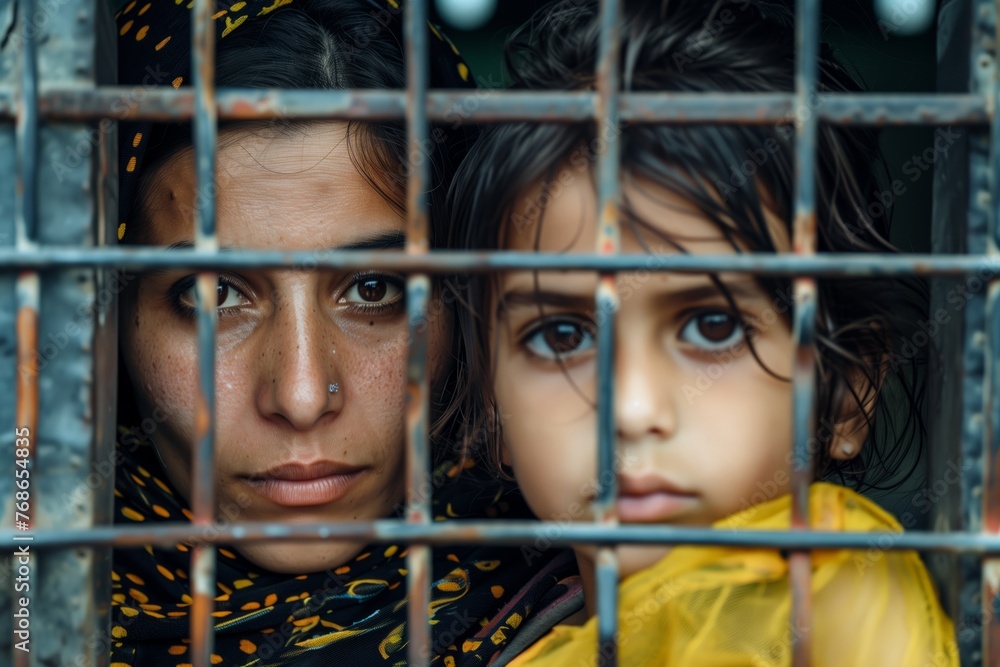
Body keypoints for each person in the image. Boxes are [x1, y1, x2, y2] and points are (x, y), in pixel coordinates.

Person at [446, 0, 958, 664]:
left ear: (845, 393)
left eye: (711, 326)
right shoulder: (487, 641)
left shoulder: (855, 611)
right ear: (493, 407)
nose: (631, 410)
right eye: (562, 337)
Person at [110, 0, 580, 664]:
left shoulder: (597, 603)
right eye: (215, 295)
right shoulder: (29, 602)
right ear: (106, 313)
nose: (302, 396)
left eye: (374, 289)